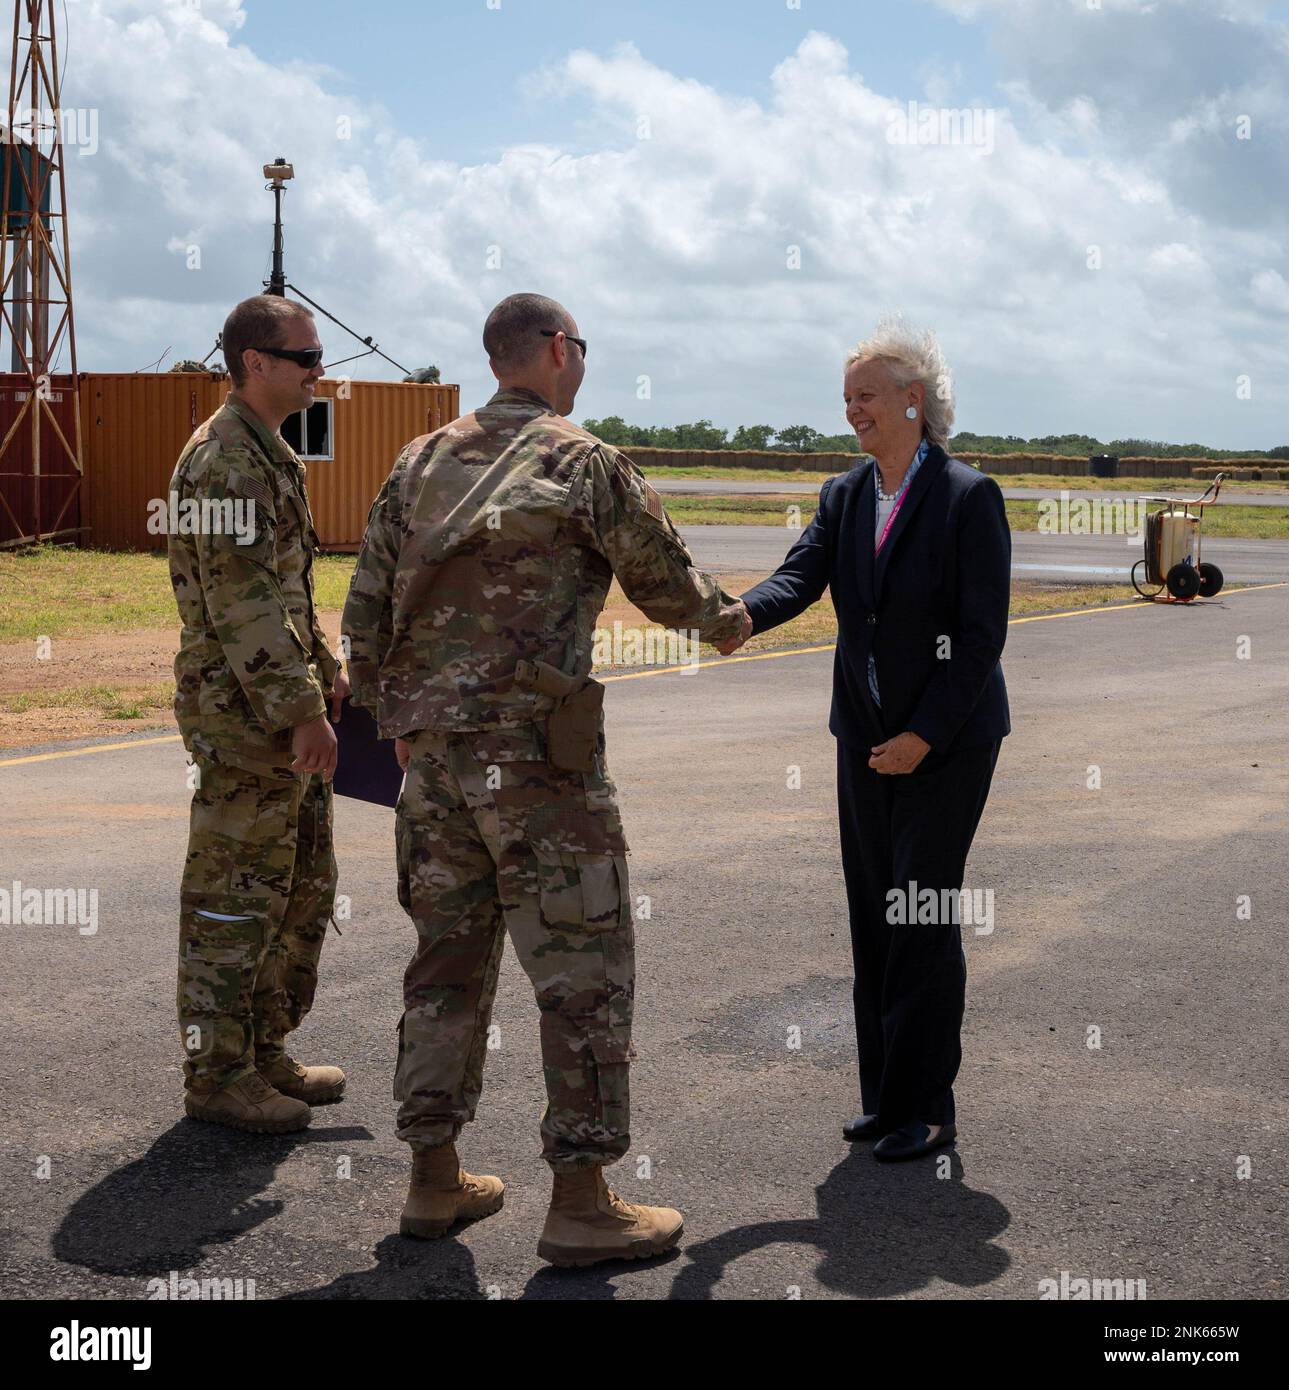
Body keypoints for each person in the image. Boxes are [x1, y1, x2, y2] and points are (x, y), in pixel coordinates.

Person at [342, 292, 750, 1264]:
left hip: (432, 765)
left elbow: (364, 614)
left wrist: (399, 724)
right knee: (582, 974)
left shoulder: (417, 460)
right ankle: (579, 1200)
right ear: (559, 349)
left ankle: (432, 1179)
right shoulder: (582, 460)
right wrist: (729, 621)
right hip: (540, 767)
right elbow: (667, 586)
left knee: (443, 970)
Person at [721, 318, 1010, 1162]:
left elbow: (980, 637)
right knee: (873, 913)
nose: (853, 410)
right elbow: (799, 576)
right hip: (864, 735)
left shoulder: (967, 497)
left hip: (945, 743)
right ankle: (884, 1099)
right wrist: (736, 616)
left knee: (920, 914)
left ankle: (928, 1107)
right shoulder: (844, 495)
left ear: (913, 400)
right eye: (846, 397)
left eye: (867, 395)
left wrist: (925, 733)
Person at [168, 294, 349, 1134]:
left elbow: (288, 594)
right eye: (306, 357)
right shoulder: (224, 461)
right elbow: (242, 604)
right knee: (233, 899)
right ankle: (216, 1074)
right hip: (245, 720)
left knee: (296, 888)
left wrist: (327, 672)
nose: (321, 371)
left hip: (275, 710)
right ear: (256, 362)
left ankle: (262, 1049)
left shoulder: (267, 451)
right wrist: (301, 708)